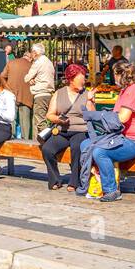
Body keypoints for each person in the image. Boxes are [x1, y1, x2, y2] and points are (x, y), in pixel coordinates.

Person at [88, 63, 135, 203]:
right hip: (123, 137)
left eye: (114, 75)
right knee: (86, 143)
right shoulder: (125, 90)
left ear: (119, 75)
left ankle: (111, 190)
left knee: (100, 152)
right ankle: (89, 183)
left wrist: (104, 117)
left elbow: (123, 117)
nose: (113, 78)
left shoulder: (133, 90)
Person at [41, 62, 90, 191]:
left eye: (83, 79)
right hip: (62, 130)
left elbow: (92, 116)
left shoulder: (87, 94)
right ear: (71, 80)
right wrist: (59, 120)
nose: (83, 82)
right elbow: (49, 115)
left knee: (77, 147)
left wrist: (91, 101)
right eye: (80, 80)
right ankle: (55, 179)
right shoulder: (59, 93)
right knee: (47, 149)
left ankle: (75, 181)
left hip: (80, 130)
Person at [0, 46, 34, 139]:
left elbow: (1, 76)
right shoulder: (32, 66)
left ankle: (10, 137)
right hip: (27, 96)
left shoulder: (11, 63)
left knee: (11, 118)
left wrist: (7, 88)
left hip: (11, 95)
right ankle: (26, 141)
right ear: (30, 58)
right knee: (25, 121)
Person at [24, 43, 56, 134]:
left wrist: (30, 79)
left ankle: (47, 141)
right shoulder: (49, 61)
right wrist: (34, 79)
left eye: (31, 52)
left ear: (35, 52)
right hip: (49, 94)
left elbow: (26, 78)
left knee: (40, 122)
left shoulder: (38, 62)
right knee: (45, 120)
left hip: (40, 94)